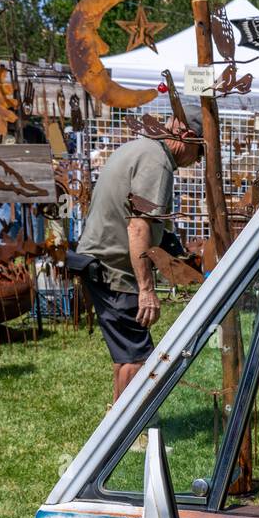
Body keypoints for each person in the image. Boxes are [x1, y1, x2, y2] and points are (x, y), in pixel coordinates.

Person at [74, 102, 204, 401]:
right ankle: (130, 427)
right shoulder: (156, 162)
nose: (197, 161)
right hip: (114, 270)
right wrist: (146, 289)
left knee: (128, 354)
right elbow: (138, 227)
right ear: (186, 136)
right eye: (199, 152)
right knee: (137, 358)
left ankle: (118, 420)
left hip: (102, 263)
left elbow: (154, 225)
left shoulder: (142, 149)